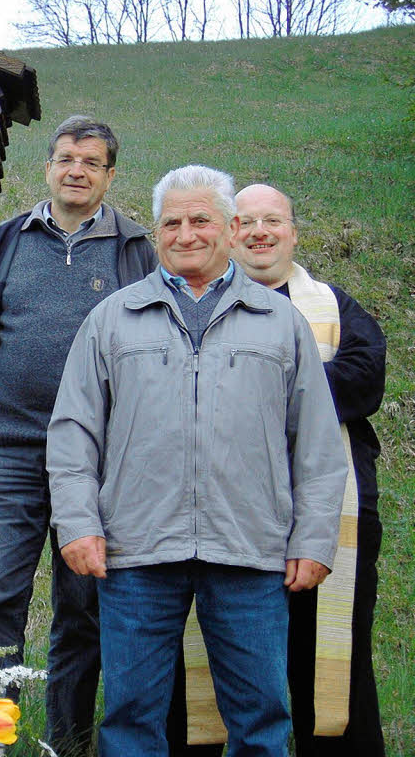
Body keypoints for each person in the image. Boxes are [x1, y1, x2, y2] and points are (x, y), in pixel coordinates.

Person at [48, 165, 348, 757]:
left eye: (200, 220)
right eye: (171, 223)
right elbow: (73, 432)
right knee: (131, 720)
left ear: (231, 228)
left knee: (262, 719)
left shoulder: (279, 321)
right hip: (135, 549)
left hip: (250, 548)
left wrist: (313, 540)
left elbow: (315, 443)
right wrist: (78, 523)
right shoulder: (111, 318)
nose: (185, 234)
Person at [0, 115, 155, 755]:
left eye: (92, 163)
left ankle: (66, 744)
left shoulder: (135, 250)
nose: (77, 170)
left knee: (84, 610)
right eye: (67, 158)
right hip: (8, 450)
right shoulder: (6, 240)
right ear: (47, 166)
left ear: (110, 175)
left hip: (100, 460)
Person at [234, 183, 385, 756]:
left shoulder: (333, 306)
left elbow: (366, 375)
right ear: (229, 235)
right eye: (245, 222)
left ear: (294, 233)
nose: (260, 233)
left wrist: (267, 390)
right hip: (238, 513)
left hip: (332, 508)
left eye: (272, 221)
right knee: (236, 652)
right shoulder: (201, 306)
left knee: (333, 653)